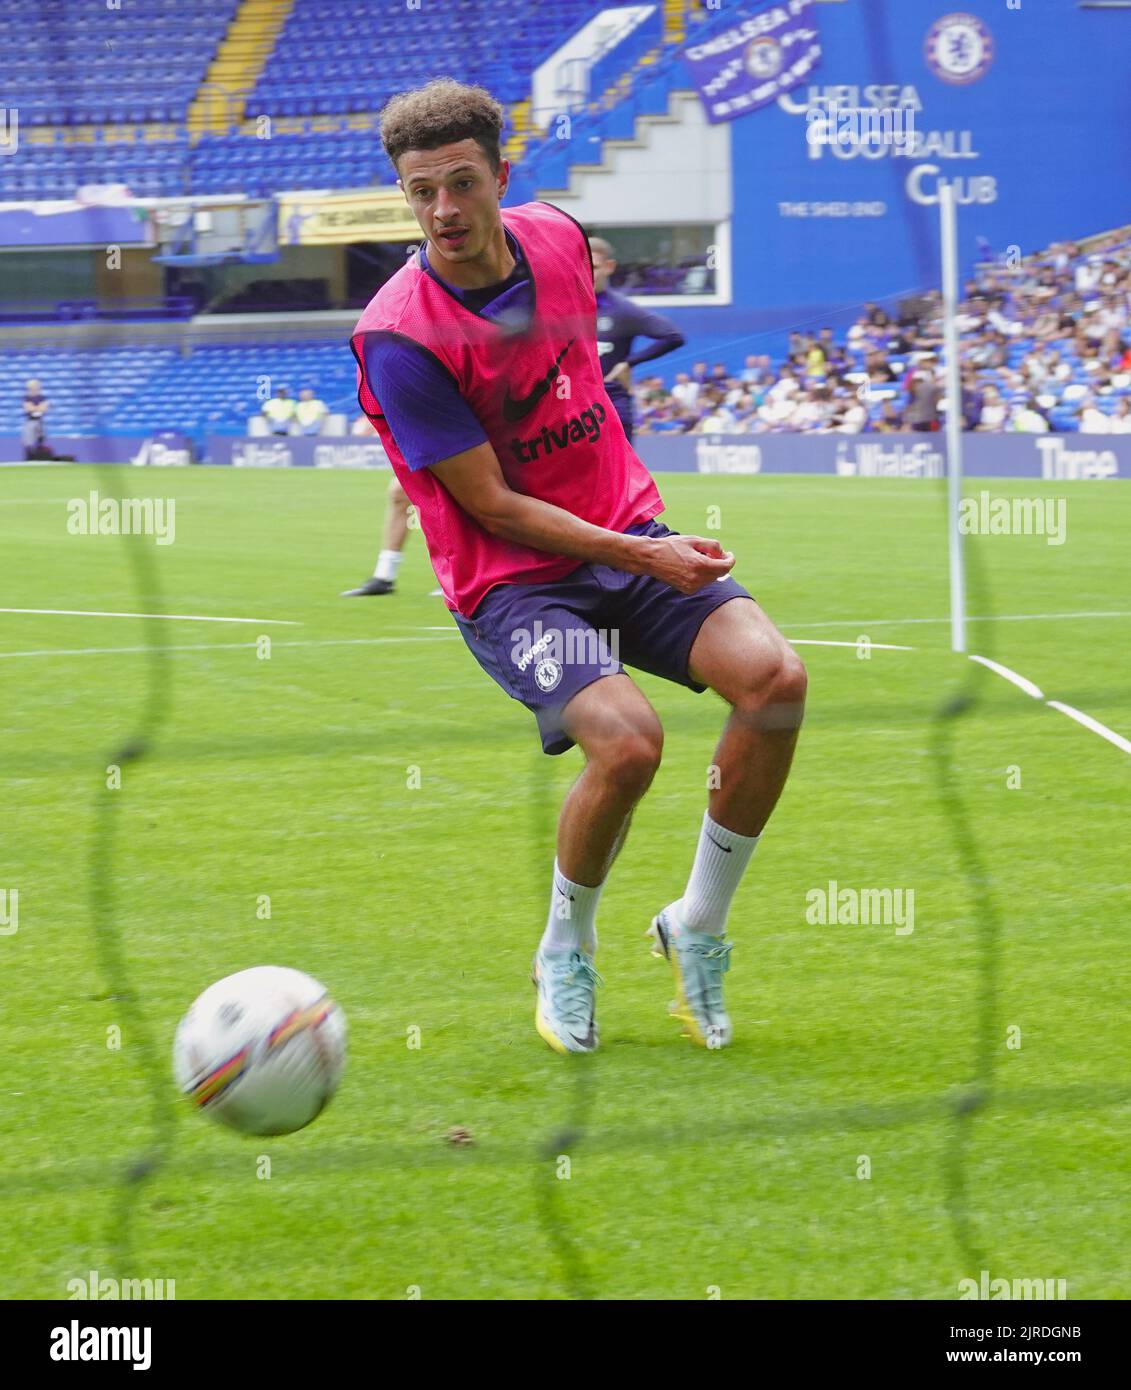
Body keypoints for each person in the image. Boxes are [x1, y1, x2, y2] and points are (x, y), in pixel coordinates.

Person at [350, 78, 806, 1053]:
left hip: (626, 532)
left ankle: (698, 928)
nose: (442, 211)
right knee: (629, 744)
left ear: (500, 176)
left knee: (775, 682)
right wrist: (649, 551)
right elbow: (492, 506)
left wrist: (627, 340)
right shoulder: (400, 338)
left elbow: (579, 318)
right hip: (513, 586)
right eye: (420, 192)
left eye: (460, 184)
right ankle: (565, 948)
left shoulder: (555, 235)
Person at [589, 236, 684, 443]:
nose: (587, 272)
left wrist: (629, 362)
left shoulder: (623, 310)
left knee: (621, 475)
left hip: (612, 403)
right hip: (573, 408)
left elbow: (673, 336)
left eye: (594, 267)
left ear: (609, 267)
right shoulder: (564, 307)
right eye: (581, 265)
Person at [22, 378, 49, 459]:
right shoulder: (26, 397)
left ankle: (40, 455)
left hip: (40, 420)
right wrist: (38, 408)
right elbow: (28, 408)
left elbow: (44, 408)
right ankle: (29, 456)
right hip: (30, 420)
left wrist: (34, 408)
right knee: (28, 439)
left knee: (42, 435)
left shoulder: (42, 397)